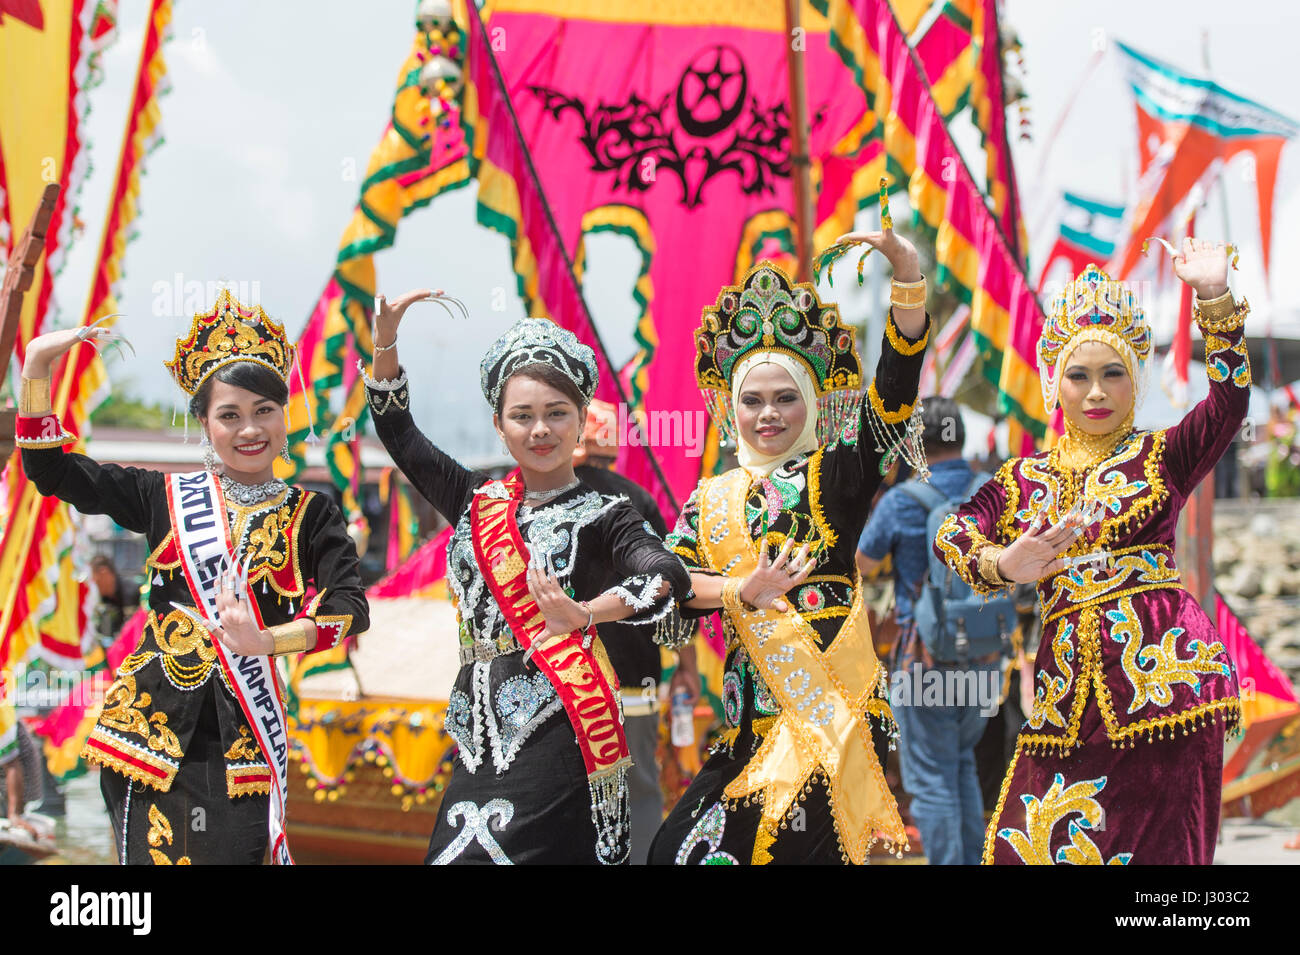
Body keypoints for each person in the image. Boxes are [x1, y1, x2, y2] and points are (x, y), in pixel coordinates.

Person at [17, 290, 370, 864]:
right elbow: (51, 468)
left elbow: (352, 609)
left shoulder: (313, 513)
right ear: (204, 424)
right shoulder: (162, 496)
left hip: (244, 742)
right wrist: (36, 367)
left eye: (264, 411)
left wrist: (267, 642)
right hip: (148, 731)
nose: (249, 428)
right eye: (229, 415)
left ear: (285, 416)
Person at [934, 243, 1244, 865]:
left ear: (1136, 380)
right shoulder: (1023, 477)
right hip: (1063, 703)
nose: (1096, 392)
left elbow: (1227, 407)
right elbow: (954, 530)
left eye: (1114, 373)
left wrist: (1213, 299)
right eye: (1079, 374)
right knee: (1024, 848)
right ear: (1055, 382)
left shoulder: (1163, 456)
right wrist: (1002, 564)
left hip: (1166, 698)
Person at [363, 293, 693, 865]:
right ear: (498, 423)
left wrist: (586, 614)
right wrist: (386, 345)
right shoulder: (472, 500)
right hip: (475, 737)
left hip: (563, 730)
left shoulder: (606, 512)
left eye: (557, 413)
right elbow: (400, 434)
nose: (540, 430)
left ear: (581, 419)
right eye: (522, 416)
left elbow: (666, 575)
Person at [648, 223, 931, 865]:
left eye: (785, 399)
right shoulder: (709, 498)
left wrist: (907, 282)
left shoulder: (837, 473)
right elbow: (669, 583)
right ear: (732, 409)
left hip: (834, 709)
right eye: (752, 401)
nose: (768, 414)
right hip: (749, 721)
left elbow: (891, 395)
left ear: (811, 405)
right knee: (677, 852)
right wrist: (734, 590)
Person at [857, 396, 1007, 865]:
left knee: (931, 779)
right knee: (960, 764)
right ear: (960, 436)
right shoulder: (994, 491)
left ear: (914, 445)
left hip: (923, 660)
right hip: (984, 657)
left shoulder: (903, 500)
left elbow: (859, 563)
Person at [571, 399, 699, 864]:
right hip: (635, 681)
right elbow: (672, 591)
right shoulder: (636, 501)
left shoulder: (549, 501)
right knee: (641, 789)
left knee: (573, 791)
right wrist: (687, 669)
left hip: (567, 681)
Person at [89, 554, 140, 650]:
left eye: (94, 578)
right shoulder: (103, 600)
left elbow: (133, 631)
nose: (93, 583)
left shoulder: (131, 593)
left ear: (103, 572)